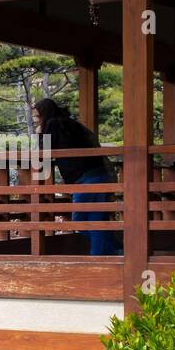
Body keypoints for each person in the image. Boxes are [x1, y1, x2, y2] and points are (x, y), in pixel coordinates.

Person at [33, 98, 121, 256]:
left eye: (38, 117)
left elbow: (44, 150)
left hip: (85, 178)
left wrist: (39, 134)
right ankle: (103, 254)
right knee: (96, 220)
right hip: (98, 174)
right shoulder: (69, 123)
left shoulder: (53, 124)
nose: (36, 121)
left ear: (44, 114)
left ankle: (111, 249)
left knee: (79, 220)